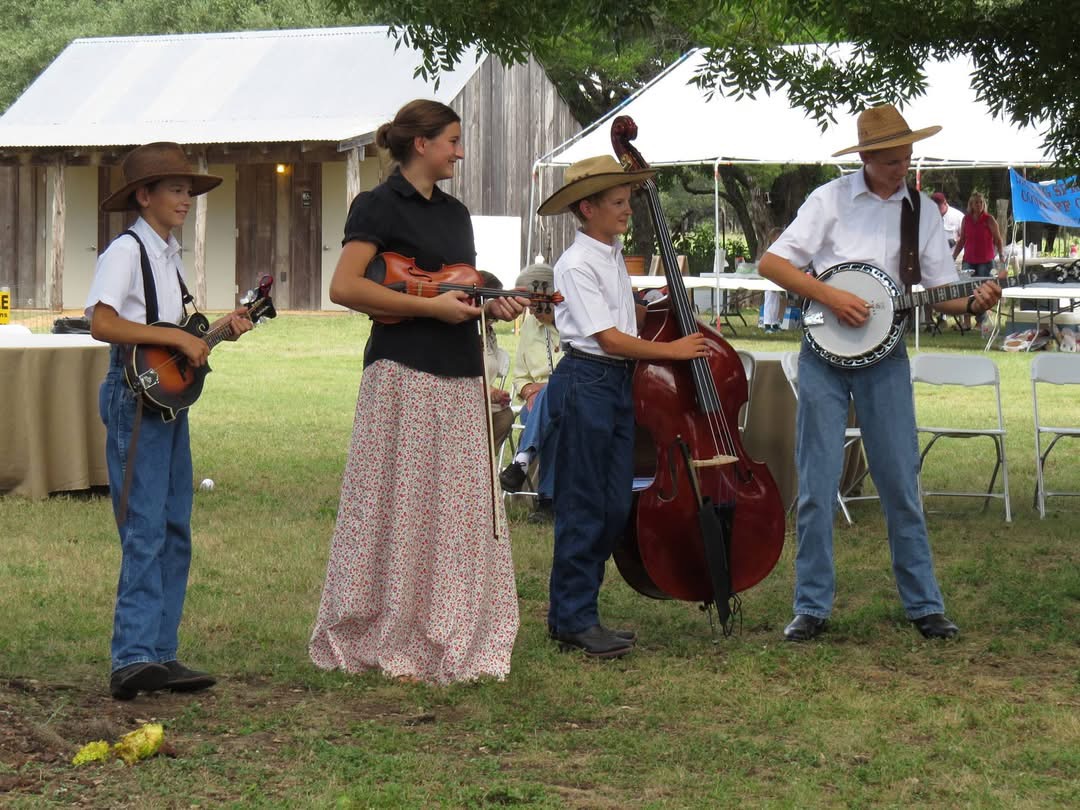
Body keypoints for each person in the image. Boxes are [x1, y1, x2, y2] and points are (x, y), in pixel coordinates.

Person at [758, 105, 1002, 643]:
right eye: (891, 160)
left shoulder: (923, 211)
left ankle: (924, 605)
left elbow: (944, 296)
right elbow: (772, 264)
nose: (902, 168)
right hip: (824, 353)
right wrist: (830, 295)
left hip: (885, 359)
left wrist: (975, 299)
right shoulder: (829, 200)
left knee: (899, 481)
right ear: (865, 157)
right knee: (818, 482)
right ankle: (811, 607)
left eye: (907, 158)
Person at [308, 99, 527, 684]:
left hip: (460, 374)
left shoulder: (457, 214)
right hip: (401, 371)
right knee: (397, 503)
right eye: (452, 140)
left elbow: (467, 295)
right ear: (422, 143)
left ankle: (450, 623)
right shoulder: (377, 205)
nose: (459, 150)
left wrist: (492, 308)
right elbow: (345, 287)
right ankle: (385, 627)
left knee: (457, 510)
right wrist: (427, 307)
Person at [86, 142, 253, 700]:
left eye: (189, 191)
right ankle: (131, 656)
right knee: (143, 526)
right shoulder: (125, 252)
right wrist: (174, 336)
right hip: (132, 399)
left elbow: (178, 339)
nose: (186, 199)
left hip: (165, 402)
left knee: (174, 526)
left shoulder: (167, 254)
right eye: (176, 190)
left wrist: (218, 329)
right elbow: (104, 324)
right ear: (144, 195)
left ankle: (160, 652)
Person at [537, 155, 708, 658]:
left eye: (628, 199)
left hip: (612, 385)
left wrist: (659, 306)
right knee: (585, 504)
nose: (627, 209)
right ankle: (571, 619)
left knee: (613, 504)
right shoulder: (575, 263)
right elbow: (609, 340)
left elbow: (625, 318)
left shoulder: (609, 255)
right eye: (617, 202)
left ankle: (577, 615)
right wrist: (674, 350)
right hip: (588, 380)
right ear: (586, 208)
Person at [498, 260, 562, 521]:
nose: (531, 311)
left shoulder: (573, 324)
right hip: (535, 406)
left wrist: (546, 389)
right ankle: (548, 501)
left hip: (573, 398)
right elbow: (520, 377)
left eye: (535, 304)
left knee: (555, 400)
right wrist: (530, 391)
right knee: (554, 417)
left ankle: (522, 461)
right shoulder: (529, 326)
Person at [953, 191, 1005, 329]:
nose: (979, 205)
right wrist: (953, 256)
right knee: (965, 290)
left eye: (981, 202)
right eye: (976, 202)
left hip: (985, 260)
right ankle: (966, 322)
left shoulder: (989, 219)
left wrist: (1001, 255)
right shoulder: (966, 220)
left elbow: (998, 239)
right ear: (971, 205)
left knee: (983, 291)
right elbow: (962, 240)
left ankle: (981, 320)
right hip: (969, 259)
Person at [759, 227, 786, 333]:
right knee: (769, 299)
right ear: (773, 238)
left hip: (777, 275)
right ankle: (767, 323)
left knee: (776, 300)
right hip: (770, 275)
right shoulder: (771, 249)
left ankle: (774, 322)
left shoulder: (781, 248)